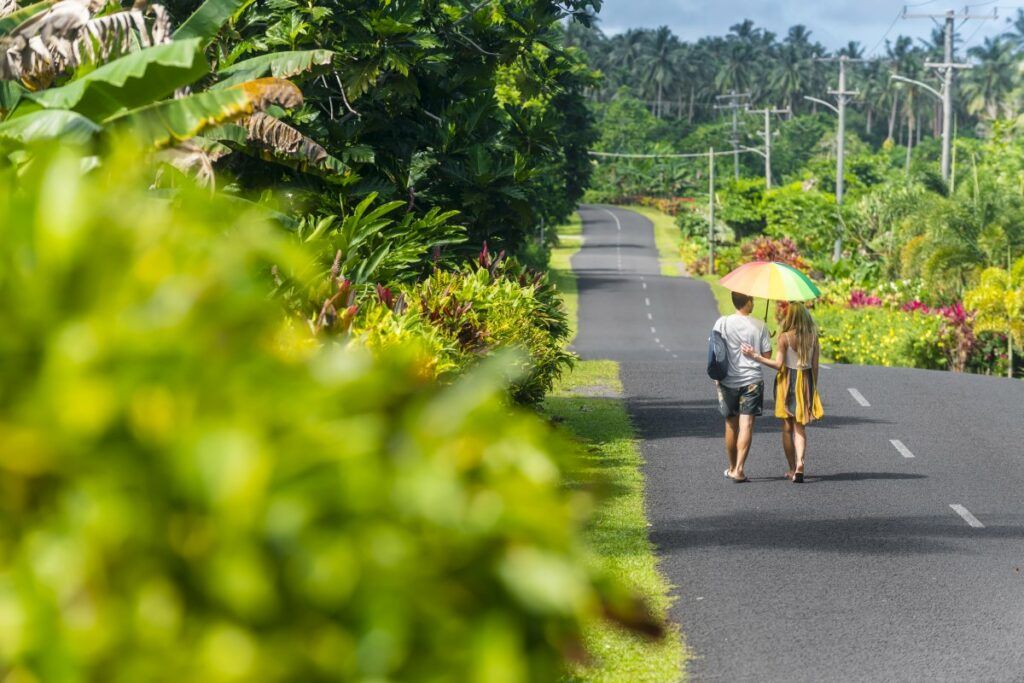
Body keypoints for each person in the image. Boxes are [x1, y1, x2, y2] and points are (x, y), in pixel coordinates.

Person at [741, 302, 824, 483]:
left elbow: (778, 365)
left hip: (787, 382)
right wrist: (812, 388)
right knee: (800, 427)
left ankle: (792, 467)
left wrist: (756, 356)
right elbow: (815, 366)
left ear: (790, 317)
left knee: (787, 428)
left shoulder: (785, 337)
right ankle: (801, 463)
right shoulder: (813, 337)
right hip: (806, 381)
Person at [714, 291, 772, 483]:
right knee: (746, 425)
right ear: (747, 302)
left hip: (728, 380)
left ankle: (731, 467)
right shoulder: (760, 325)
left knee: (731, 424)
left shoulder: (722, 323)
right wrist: (766, 335)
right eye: (752, 299)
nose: (753, 302)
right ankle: (739, 468)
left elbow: (716, 350)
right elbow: (767, 356)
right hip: (752, 381)